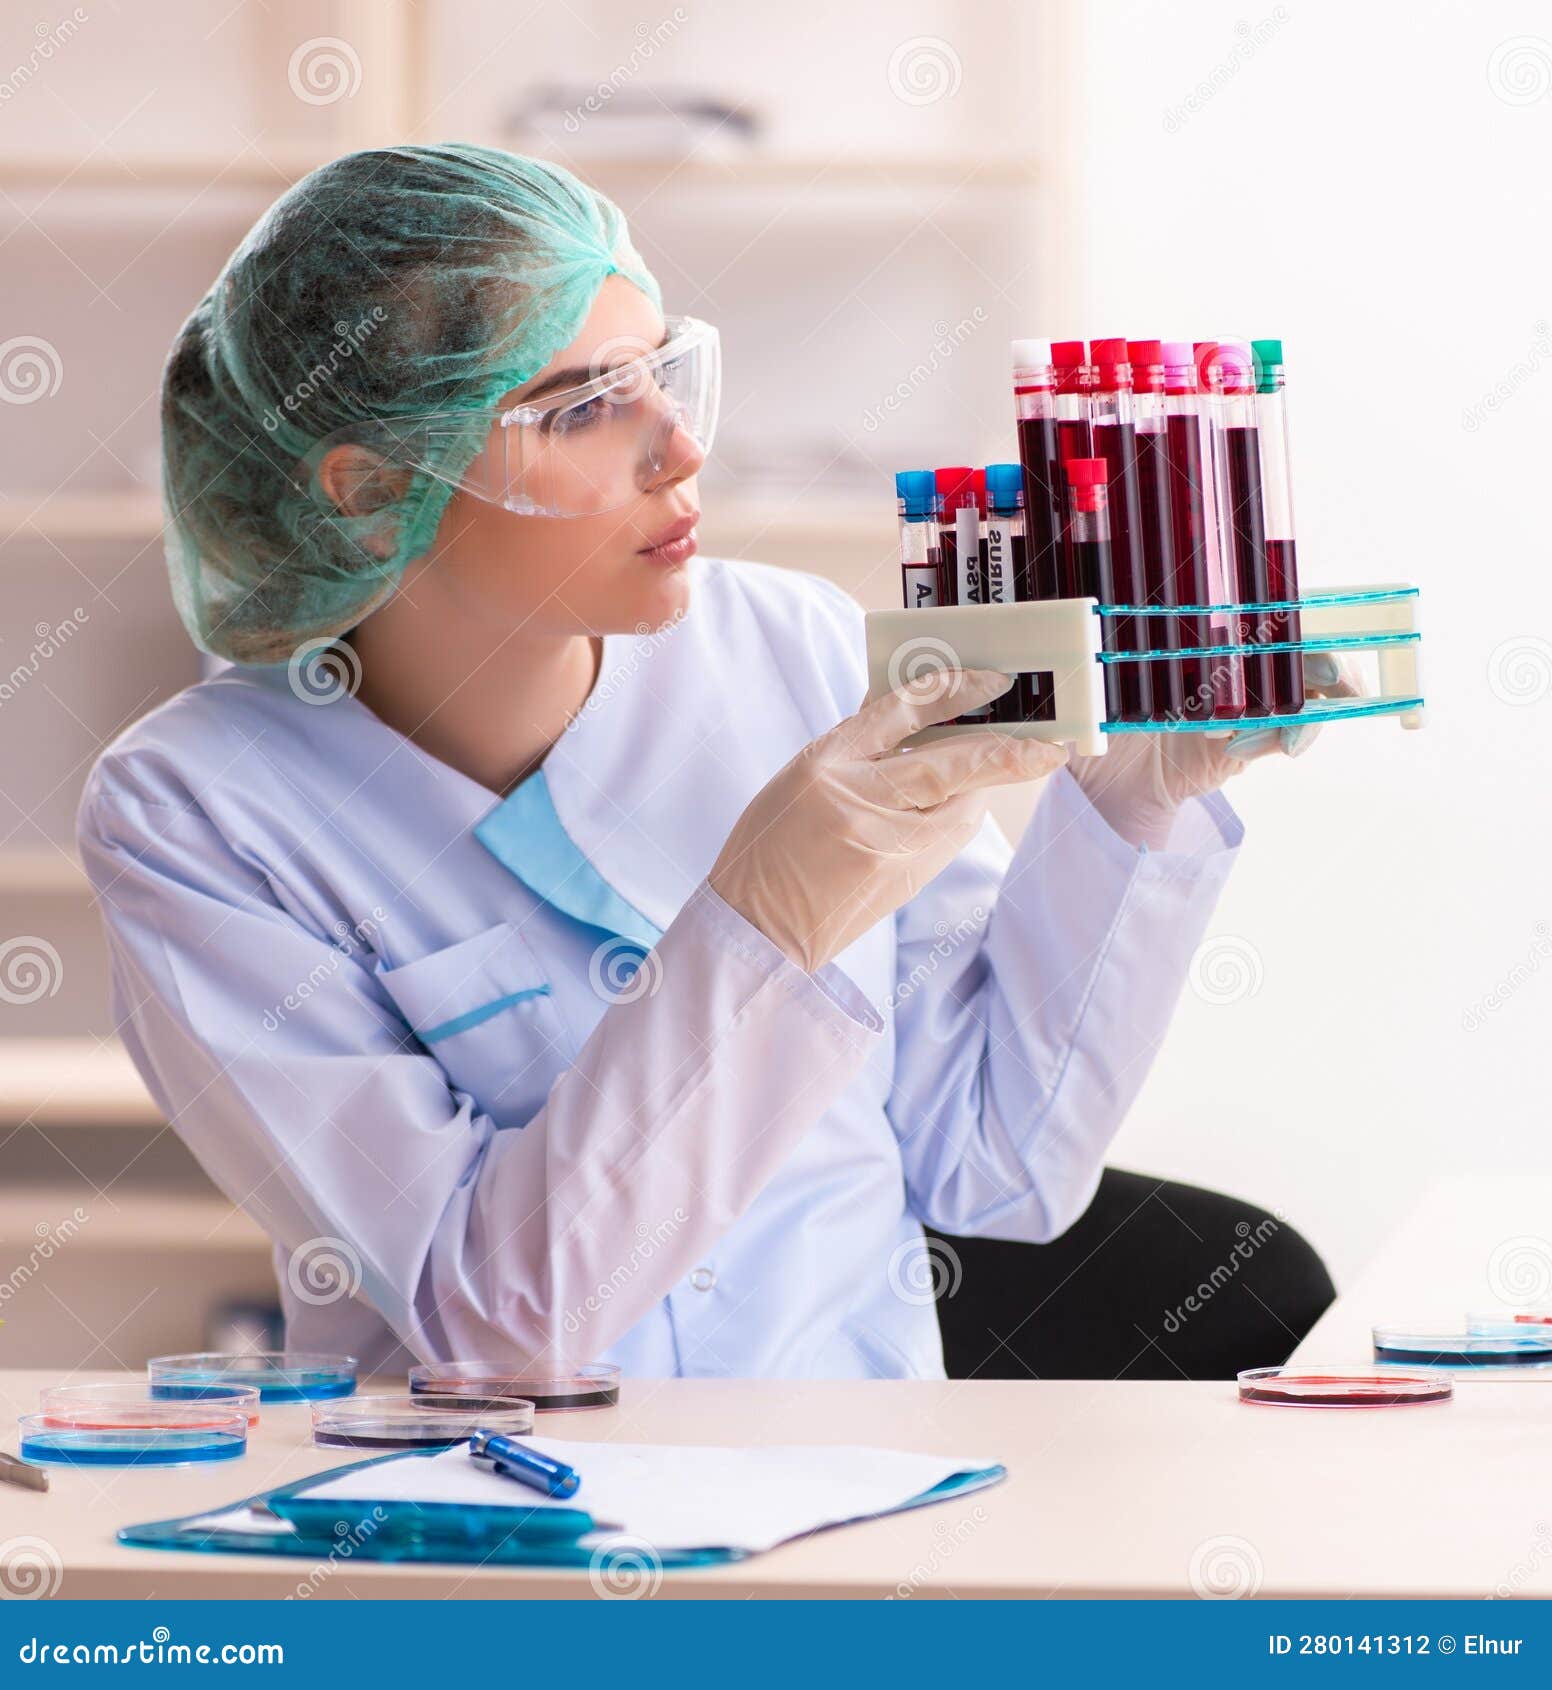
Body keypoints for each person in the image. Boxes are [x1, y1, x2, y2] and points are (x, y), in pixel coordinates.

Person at [79, 144, 1348, 1380]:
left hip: (859, 1494)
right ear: (365, 488)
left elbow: (996, 1162)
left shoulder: (787, 643)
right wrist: (764, 919)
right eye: (584, 405)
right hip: (489, 1527)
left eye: (662, 373)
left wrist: (1130, 812)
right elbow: (493, 1326)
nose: (679, 449)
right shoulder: (195, 811)